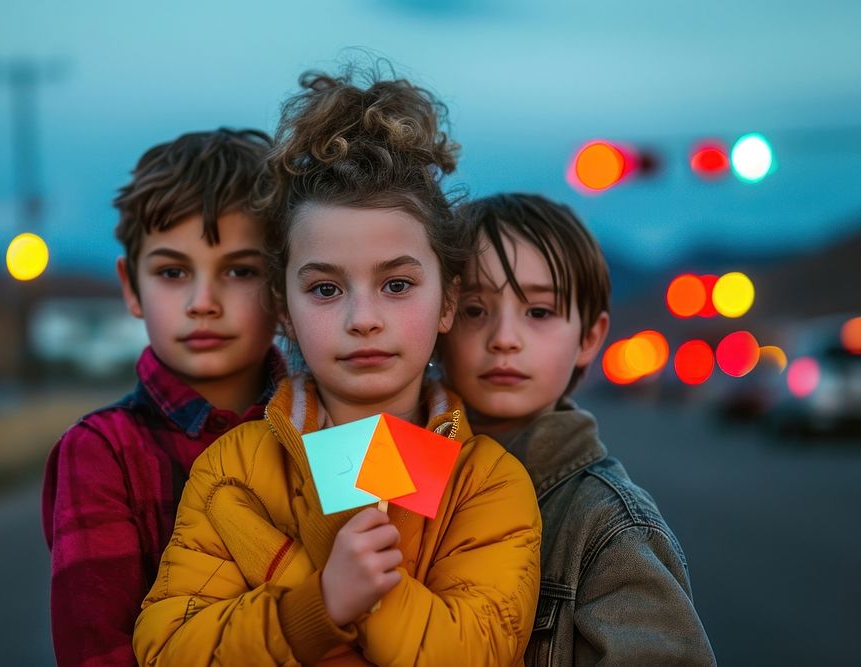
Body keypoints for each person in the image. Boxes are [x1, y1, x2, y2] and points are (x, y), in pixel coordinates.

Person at [133, 69, 542, 666]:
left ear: (448, 302)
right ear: (285, 312)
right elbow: (166, 649)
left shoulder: (486, 483)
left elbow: (472, 652)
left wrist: (350, 588)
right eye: (325, 289)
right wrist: (315, 604)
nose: (363, 318)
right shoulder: (233, 468)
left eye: (397, 284)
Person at [41, 129, 285, 667]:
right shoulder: (101, 453)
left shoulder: (332, 429)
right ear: (131, 286)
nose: (203, 302)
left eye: (241, 271)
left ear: (286, 284)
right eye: (173, 272)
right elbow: (97, 652)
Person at [439, 193, 716, 665]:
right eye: (473, 309)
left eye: (539, 312)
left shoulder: (610, 527)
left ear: (589, 337)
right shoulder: (396, 461)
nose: (504, 337)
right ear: (437, 319)